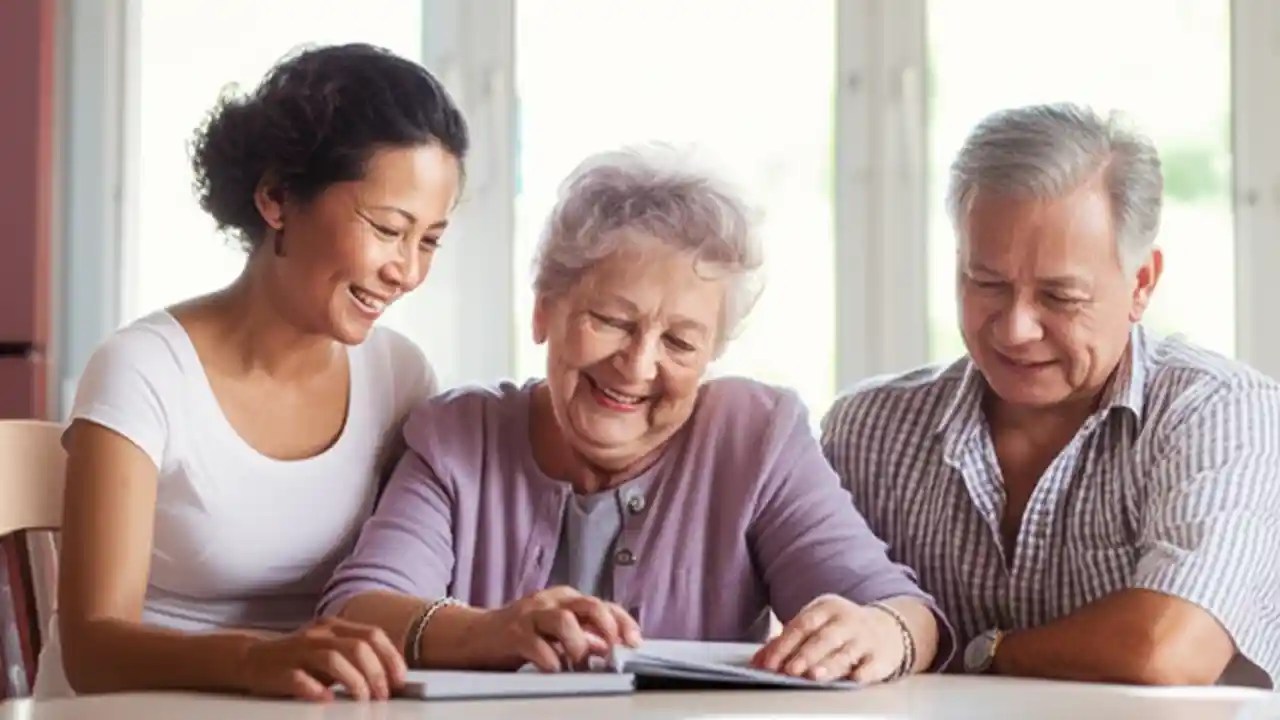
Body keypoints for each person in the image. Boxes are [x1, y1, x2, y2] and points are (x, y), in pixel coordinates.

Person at [318, 145, 949, 684]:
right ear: (544, 311)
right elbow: (356, 612)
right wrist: (490, 630)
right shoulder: (461, 436)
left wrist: (881, 630)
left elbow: (907, 614)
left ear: (711, 355)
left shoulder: (756, 436)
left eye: (679, 342)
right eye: (612, 321)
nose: (638, 366)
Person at [38, 43, 468, 701]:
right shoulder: (145, 371)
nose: (406, 271)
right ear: (277, 198)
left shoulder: (400, 377)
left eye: (429, 240)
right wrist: (257, 661)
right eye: (387, 229)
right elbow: (92, 648)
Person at [823, 103, 1280, 687]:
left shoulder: (1219, 413)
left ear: (1142, 283)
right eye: (986, 284)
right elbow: (822, 647)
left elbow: (1165, 649)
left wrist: (981, 653)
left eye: (1060, 297)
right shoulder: (867, 431)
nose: (1016, 329)